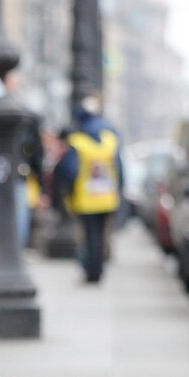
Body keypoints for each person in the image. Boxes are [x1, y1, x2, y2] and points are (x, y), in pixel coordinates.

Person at [54, 95, 124, 284]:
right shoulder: (110, 139)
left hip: (85, 198)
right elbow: (119, 169)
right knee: (101, 236)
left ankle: (91, 272)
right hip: (107, 197)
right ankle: (98, 270)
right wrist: (120, 192)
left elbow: (70, 171)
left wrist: (67, 194)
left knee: (88, 236)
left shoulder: (77, 141)